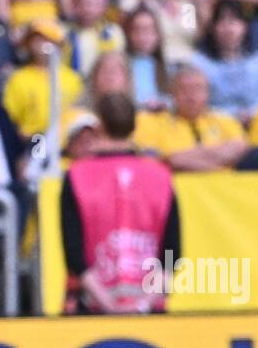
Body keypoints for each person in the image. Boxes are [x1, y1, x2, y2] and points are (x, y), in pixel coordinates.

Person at [60, 91, 180, 314]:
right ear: (135, 126)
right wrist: (143, 305)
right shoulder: (161, 176)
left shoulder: (77, 175)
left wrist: (109, 305)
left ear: (99, 126)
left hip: (91, 306)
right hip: (149, 308)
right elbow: (172, 255)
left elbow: (74, 255)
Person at [133, 64, 247, 170]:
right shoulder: (151, 122)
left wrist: (176, 159)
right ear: (172, 93)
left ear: (208, 93)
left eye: (198, 89)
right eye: (184, 89)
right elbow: (150, 162)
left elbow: (240, 149)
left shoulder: (225, 121)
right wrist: (218, 158)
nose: (191, 96)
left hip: (223, 189)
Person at [191, 0, 258, 125]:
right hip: (216, 127)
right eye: (222, 21)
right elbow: (197, 102)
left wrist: (252, 114)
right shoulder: (198, 63)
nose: (229, 29)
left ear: (245, 27)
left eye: (234, 21)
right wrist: (232, 116)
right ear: (212, 28)